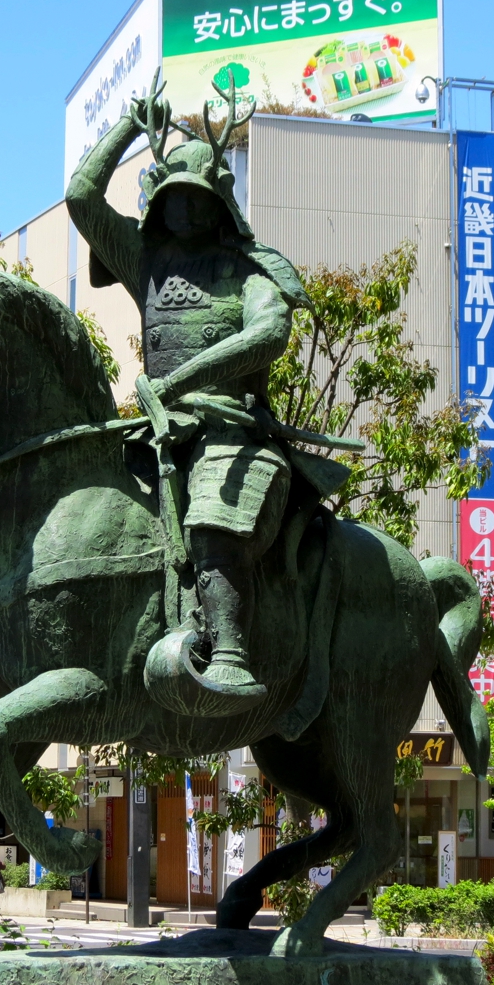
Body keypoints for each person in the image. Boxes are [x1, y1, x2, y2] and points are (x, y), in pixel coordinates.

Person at [67, 70, 326, 717]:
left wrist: (182, 379)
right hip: (153, 429)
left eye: (196, 196)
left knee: (213, 515)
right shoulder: (144, 262)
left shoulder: (249, 273)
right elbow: (79, 197)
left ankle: (232, 654)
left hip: (230, 429)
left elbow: (269, 332)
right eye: (174, 195)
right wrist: (127, 124)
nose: (184, 207)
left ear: (218, 203)